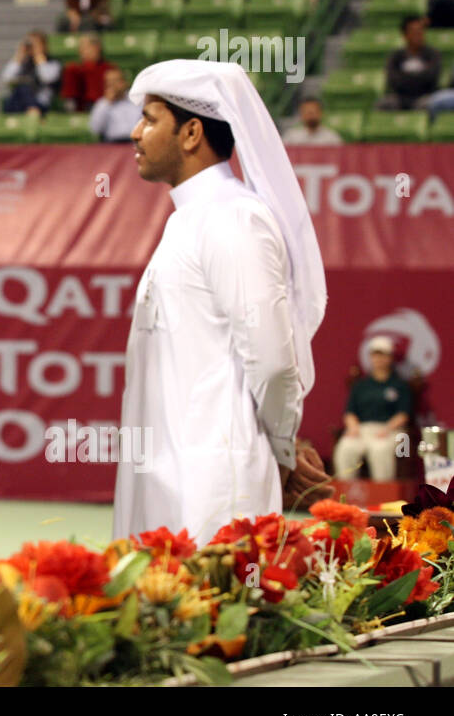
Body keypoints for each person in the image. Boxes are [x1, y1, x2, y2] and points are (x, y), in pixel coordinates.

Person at [113, 60, 332, 543]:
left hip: (214, 490)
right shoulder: (188, 219)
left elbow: (273, 363)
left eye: (150, 119)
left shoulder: (235, 217)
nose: (134, 133)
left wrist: (281, 452)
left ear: (191, 133)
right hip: (172, 480)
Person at [333, 336, 411, 482]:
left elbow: (403, 415)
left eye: (383, 355)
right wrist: (353, 428)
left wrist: (387, 429)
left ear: (390, 357)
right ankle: (347, 495)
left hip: (391, 431)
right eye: (375, 355)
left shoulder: (400, 385)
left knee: (379, 449)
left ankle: (382, 496)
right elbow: (350, 413)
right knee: (346, 448)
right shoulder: (361, 385)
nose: (379, 359)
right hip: (363, 430)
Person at [379, 14, 443, 110]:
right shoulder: (396, 56)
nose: (418, 34)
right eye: (414, 31)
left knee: (428, 103)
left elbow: (432, 77)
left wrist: (406, 77)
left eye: (420, 31)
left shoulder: (433, 54)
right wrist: (419, 77)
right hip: (400, 97)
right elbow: (393, 79)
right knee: (384, 103)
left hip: (425, 95)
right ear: (405, 35)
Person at [1, 30, 62, 113]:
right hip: (19, 101)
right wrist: (18, 58)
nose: (32, 47)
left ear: (44, 46)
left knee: (24, 87)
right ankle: (31, 110)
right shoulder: (23, 62)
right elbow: (6, 78)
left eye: (36, 44)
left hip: (41, 102)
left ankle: (33, 110)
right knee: (20, 89)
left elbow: (47, 78)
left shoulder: (53, 62)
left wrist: (40, 59)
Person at [60, 33, 112, 111]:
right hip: (83, 109)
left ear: (97, 48)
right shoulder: (74, 70)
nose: (81, 51)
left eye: (85, 47)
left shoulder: (109, 69)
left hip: (106, 108)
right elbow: (70, 98)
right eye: (80, 48)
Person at [89, 64, 138, 142]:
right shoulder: (102, 103)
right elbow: (95, 129)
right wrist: (107, 103)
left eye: (116, 81)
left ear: (125, 82)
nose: (112, 85)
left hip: (134, 142)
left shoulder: (136, 100)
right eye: (109, 82)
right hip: (111, 143)